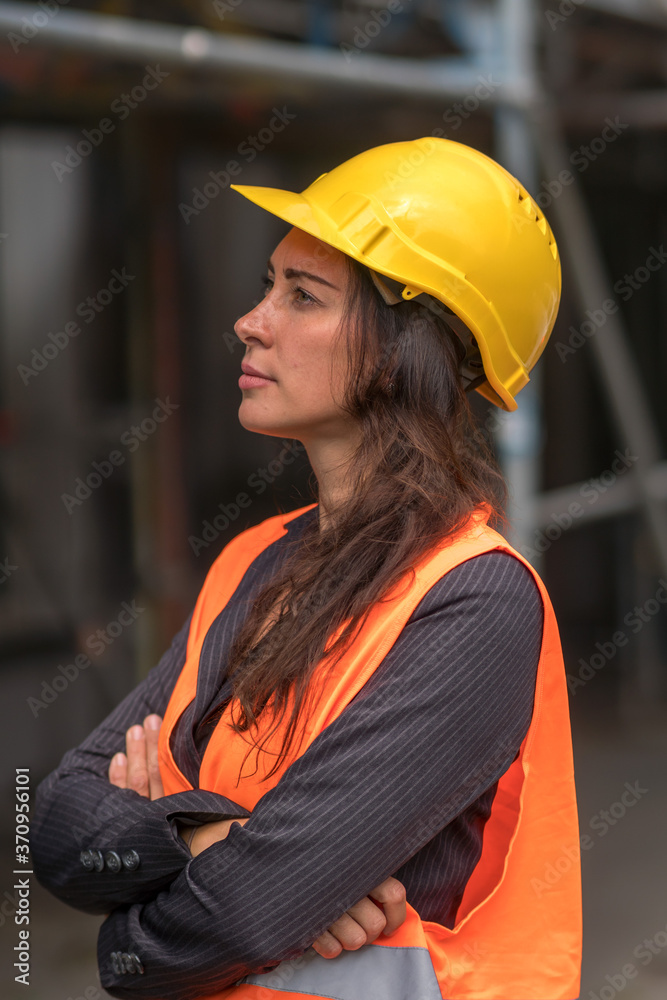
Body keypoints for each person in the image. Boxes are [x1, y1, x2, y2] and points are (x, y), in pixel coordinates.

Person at [31, 137, 582, 1000]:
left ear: (409, 346)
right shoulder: (253, 560)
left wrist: (134, 926)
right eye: (266, 286)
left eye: (303, 296)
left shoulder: (475, 601)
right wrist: (210, 842)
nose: (252, 321)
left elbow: (238, 917)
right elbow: (60, 823)